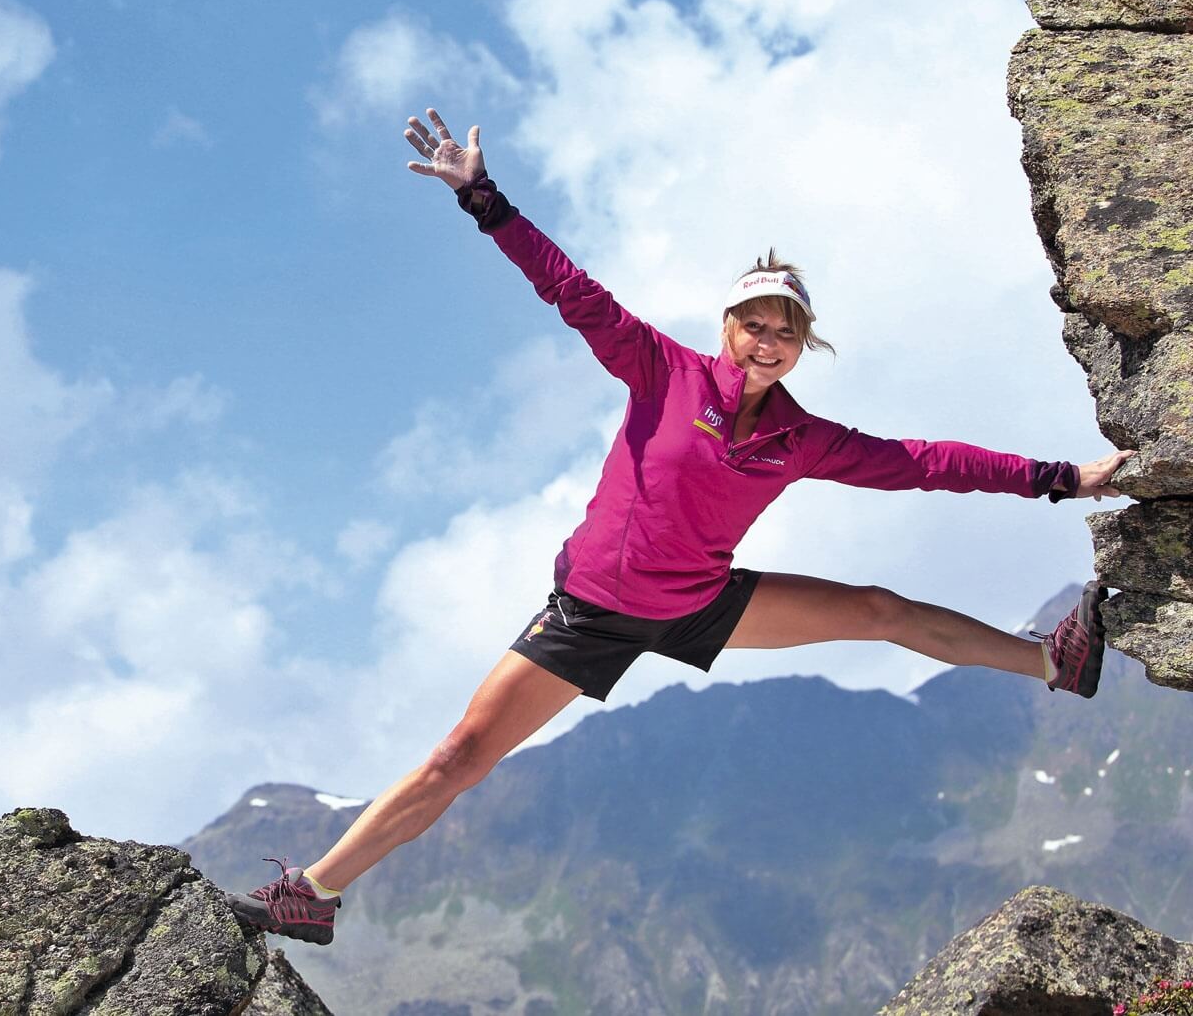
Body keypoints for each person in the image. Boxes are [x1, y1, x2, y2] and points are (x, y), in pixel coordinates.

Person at [224, 108, 1136, 946]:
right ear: (728, 325)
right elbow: (571, 291)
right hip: (589, 611)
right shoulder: (662, 370)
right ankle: (315, 892)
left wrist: (1066, 478)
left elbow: (928, 462)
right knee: (460, 756)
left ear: (802, 342)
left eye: (786, 328)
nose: (767, 339)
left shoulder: (800, 437)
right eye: (753, 322)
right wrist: (482, 198)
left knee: (878, 606)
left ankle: (1055, 661)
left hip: (700, 600)